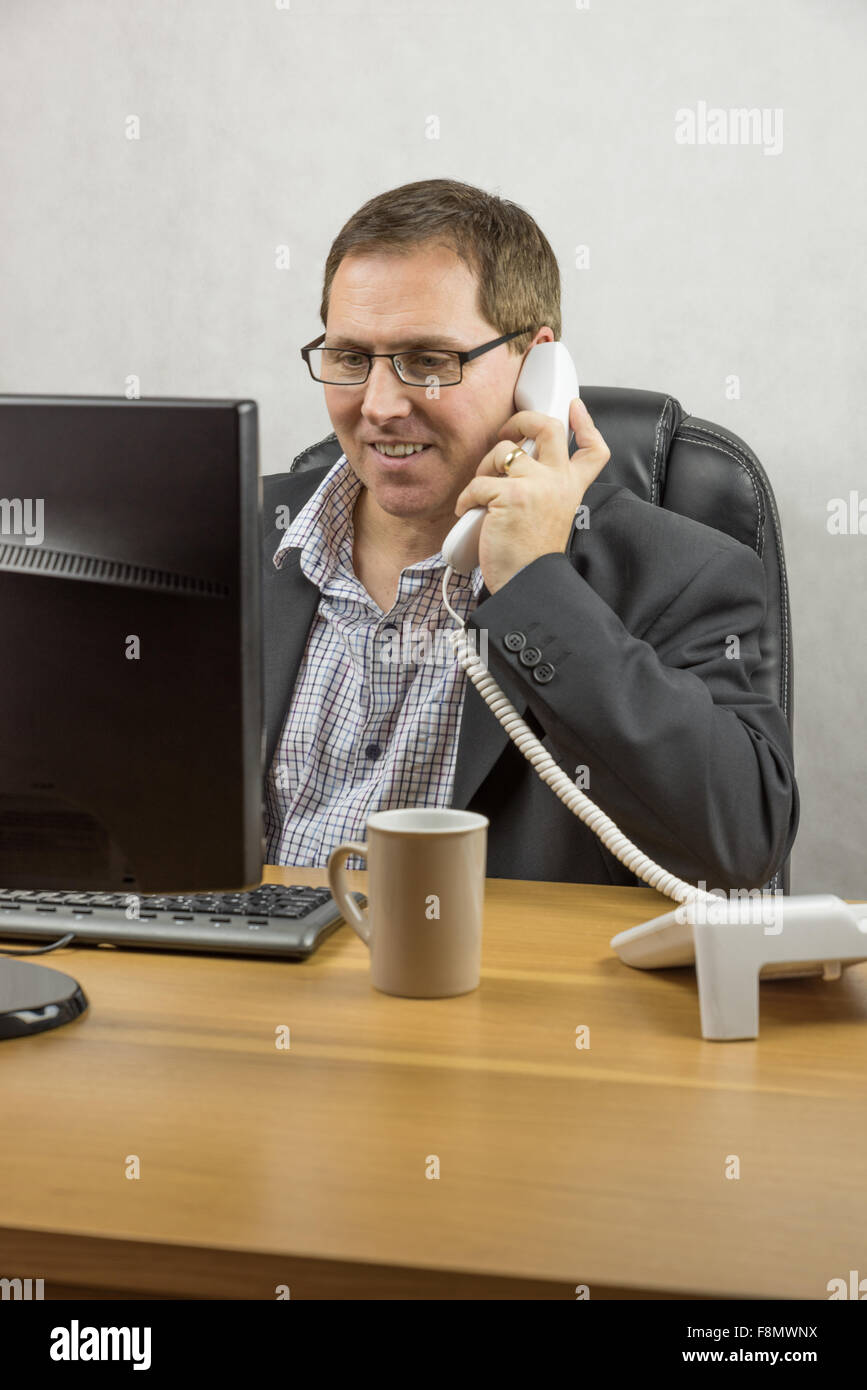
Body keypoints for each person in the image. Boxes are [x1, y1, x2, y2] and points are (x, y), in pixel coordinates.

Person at [261, 177, 799, 890]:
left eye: (428, 362)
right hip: (243, 987)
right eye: (351, 359)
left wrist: (537, 588)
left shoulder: (679, 572)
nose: (381, 406)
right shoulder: (227, 533)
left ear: (537, 364)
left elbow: (740, 847)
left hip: (497, 992)